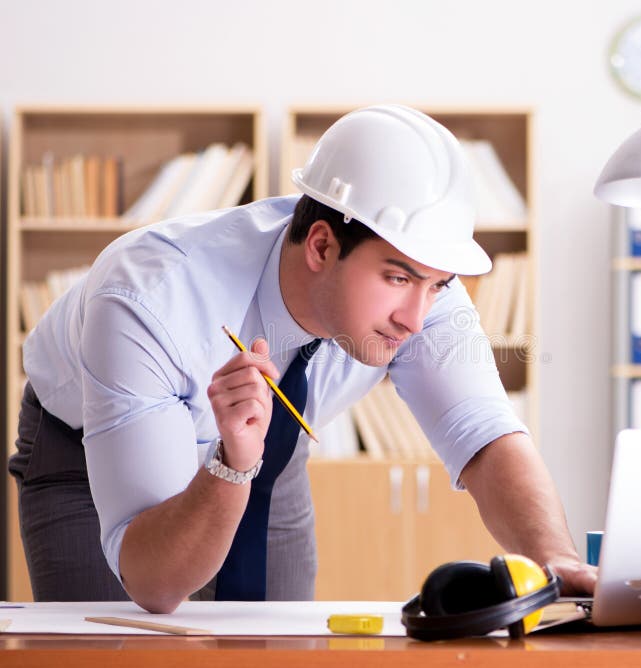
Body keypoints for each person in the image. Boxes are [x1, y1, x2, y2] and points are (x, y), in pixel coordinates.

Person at [9, 104, 596, 613]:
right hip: (85, 453)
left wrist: (558, 563)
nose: (415, 320)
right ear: (321, 245)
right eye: (396, 278)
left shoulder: (425, 294)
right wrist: (233, 464)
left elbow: (486, 436)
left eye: (437, 284)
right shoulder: (150, 296)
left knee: (282, 650)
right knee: (121, 652)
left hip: (268, 448)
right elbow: (153, 581)